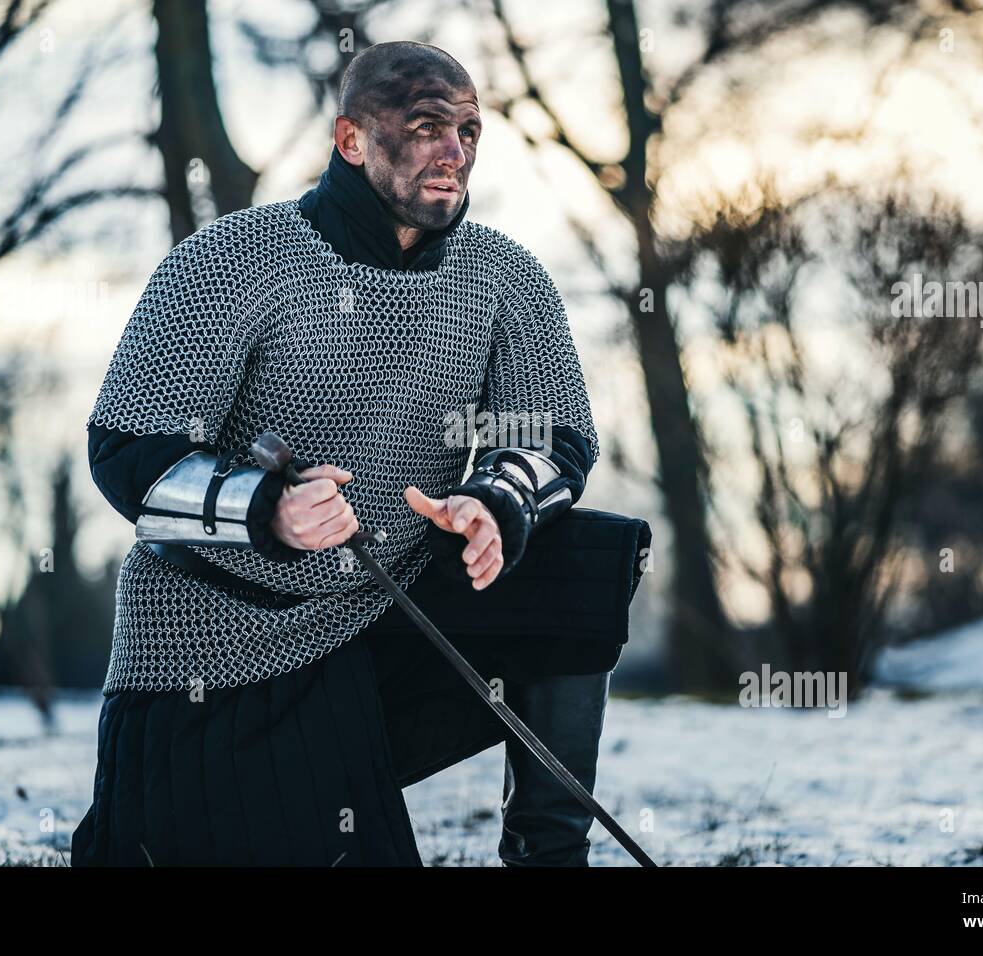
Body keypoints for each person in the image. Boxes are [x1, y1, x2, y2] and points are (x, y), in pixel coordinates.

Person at [71, 40, 643, 867]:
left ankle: (549, 860)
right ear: (351, 141)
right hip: (219, 647)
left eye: (470, 132)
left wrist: (493, 501)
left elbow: (553, 439)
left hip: (389, 616)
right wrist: (267, 508)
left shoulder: (504, 277)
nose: (456, 152)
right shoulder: (234, 258)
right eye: (426, 127)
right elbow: (129, 450)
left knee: (583, 556)